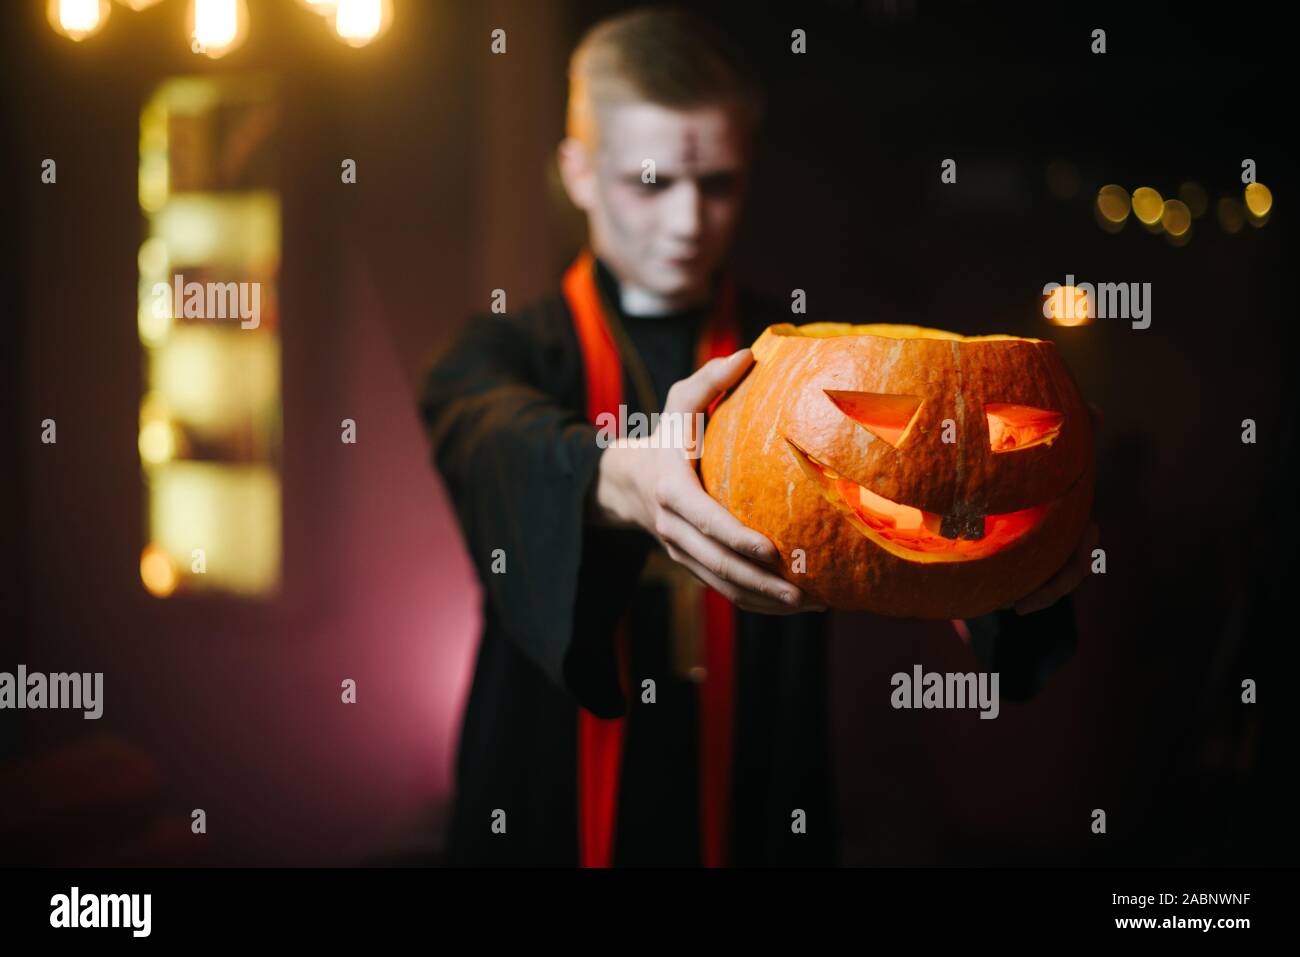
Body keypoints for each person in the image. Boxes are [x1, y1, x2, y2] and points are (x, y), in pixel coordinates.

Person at [418, 6, 1095, 867]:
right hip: (546, 787)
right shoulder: (499, 353)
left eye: (719, 183)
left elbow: (912, 500)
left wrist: (1001, 563)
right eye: (652, 181)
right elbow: (498, 443)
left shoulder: (806, 360)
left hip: (764, 786)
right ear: (579, 172)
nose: (689, 219)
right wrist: (626, 481)